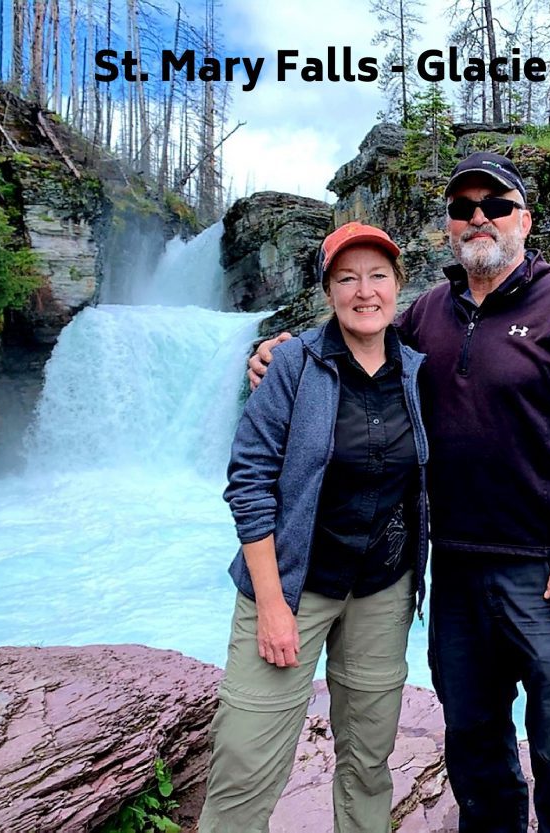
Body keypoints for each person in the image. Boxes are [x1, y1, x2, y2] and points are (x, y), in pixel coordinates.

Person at [249, 152, 550, 833]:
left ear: (525, 218)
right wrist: (283, 355)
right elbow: (355, 348)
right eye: (463, 209)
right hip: (452, 571)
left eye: (495, 205)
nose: (478, 218)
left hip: (548, 571)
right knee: (476, 745)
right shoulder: (429, 311)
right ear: (450, 230)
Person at [201, 222, 429, 833]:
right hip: (291, 586)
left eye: (378, 275)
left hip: (382, 588)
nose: (364, 290)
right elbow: (247, 483)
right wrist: (272, 604)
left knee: (368, 760)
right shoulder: (292, 365)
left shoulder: (416, 371)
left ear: (398, 287)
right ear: (328, 291)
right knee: (247, 759)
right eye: (347, 277)